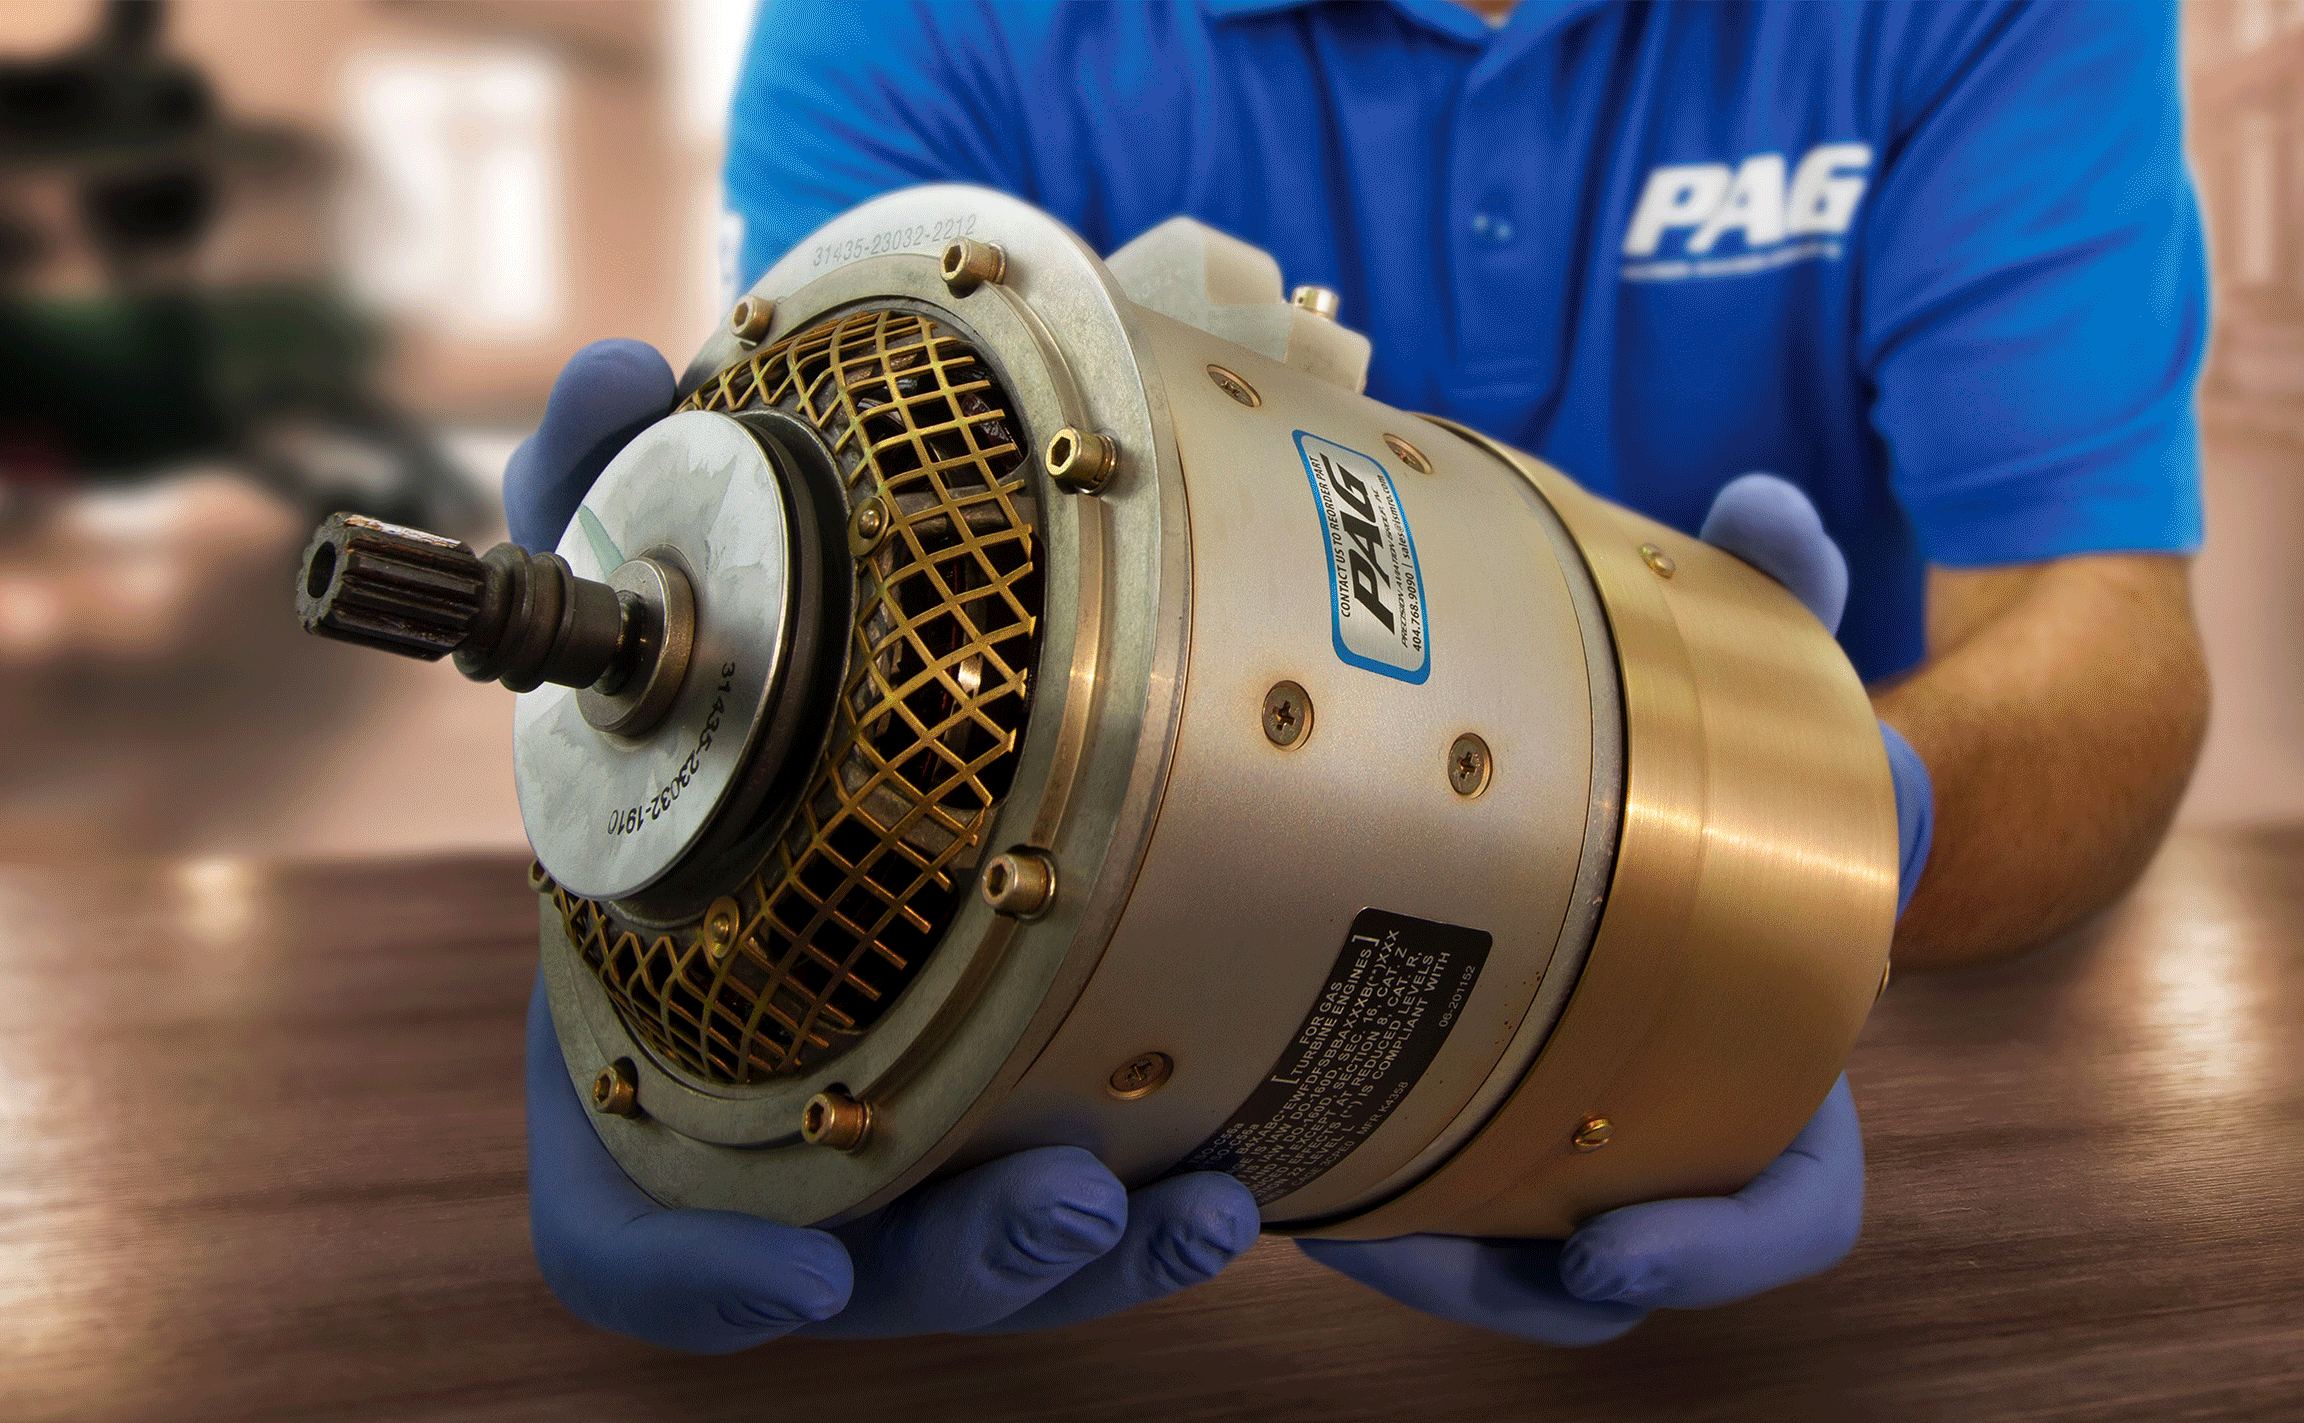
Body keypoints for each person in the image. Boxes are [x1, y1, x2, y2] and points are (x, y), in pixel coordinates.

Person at [509, 0, 2208, 1354]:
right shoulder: (919, 25)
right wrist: (731, 1001)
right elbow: (859, 581)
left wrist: (1816, 856)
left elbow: (2108, 632)